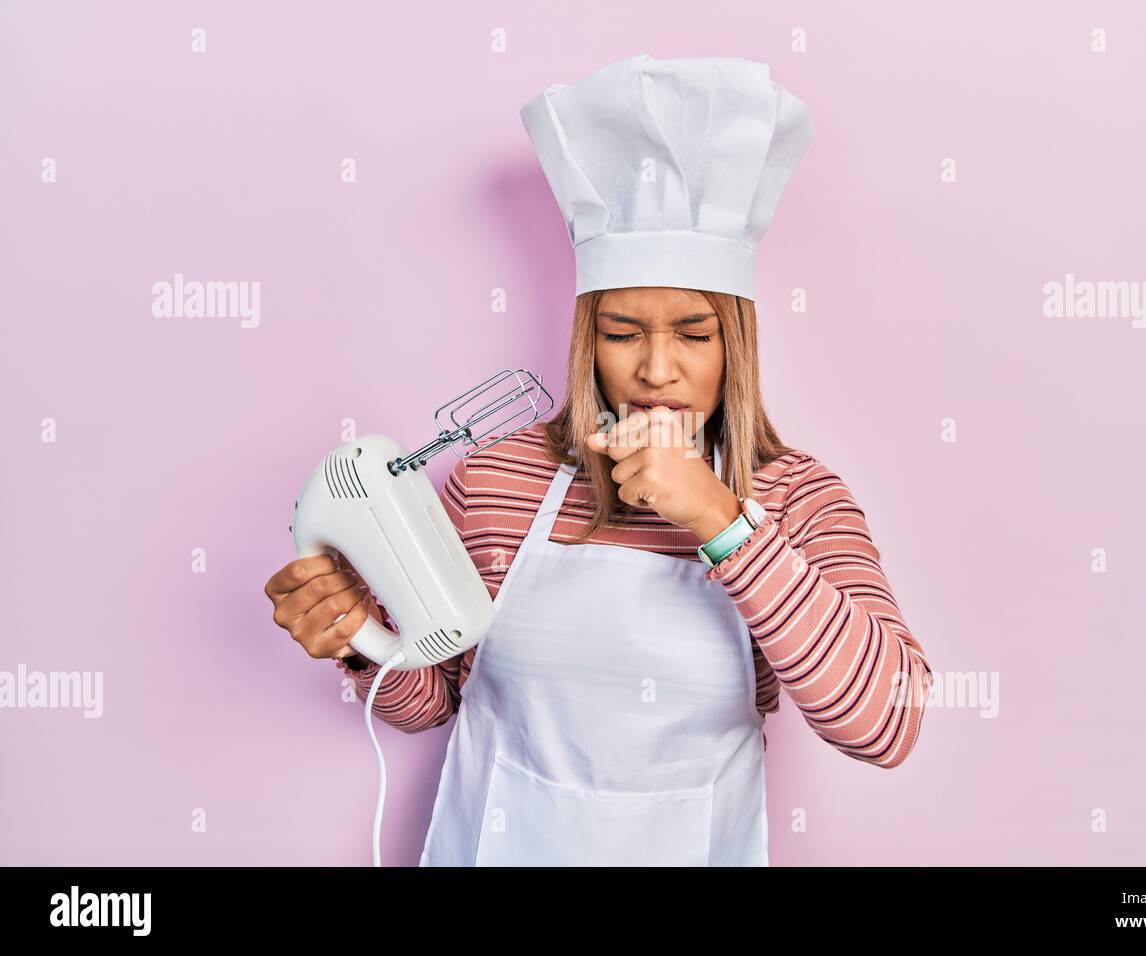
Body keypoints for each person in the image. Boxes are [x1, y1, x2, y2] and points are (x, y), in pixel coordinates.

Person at [264, 55, 933, 866]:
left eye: (693, 333)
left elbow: (887, 724)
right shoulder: (498, 479)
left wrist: (722, 521)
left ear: (737, 342)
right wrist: (354, 636)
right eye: (621, 333)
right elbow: (427, 702)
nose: (656, 370)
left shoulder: (795, 495)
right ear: (588, 340)